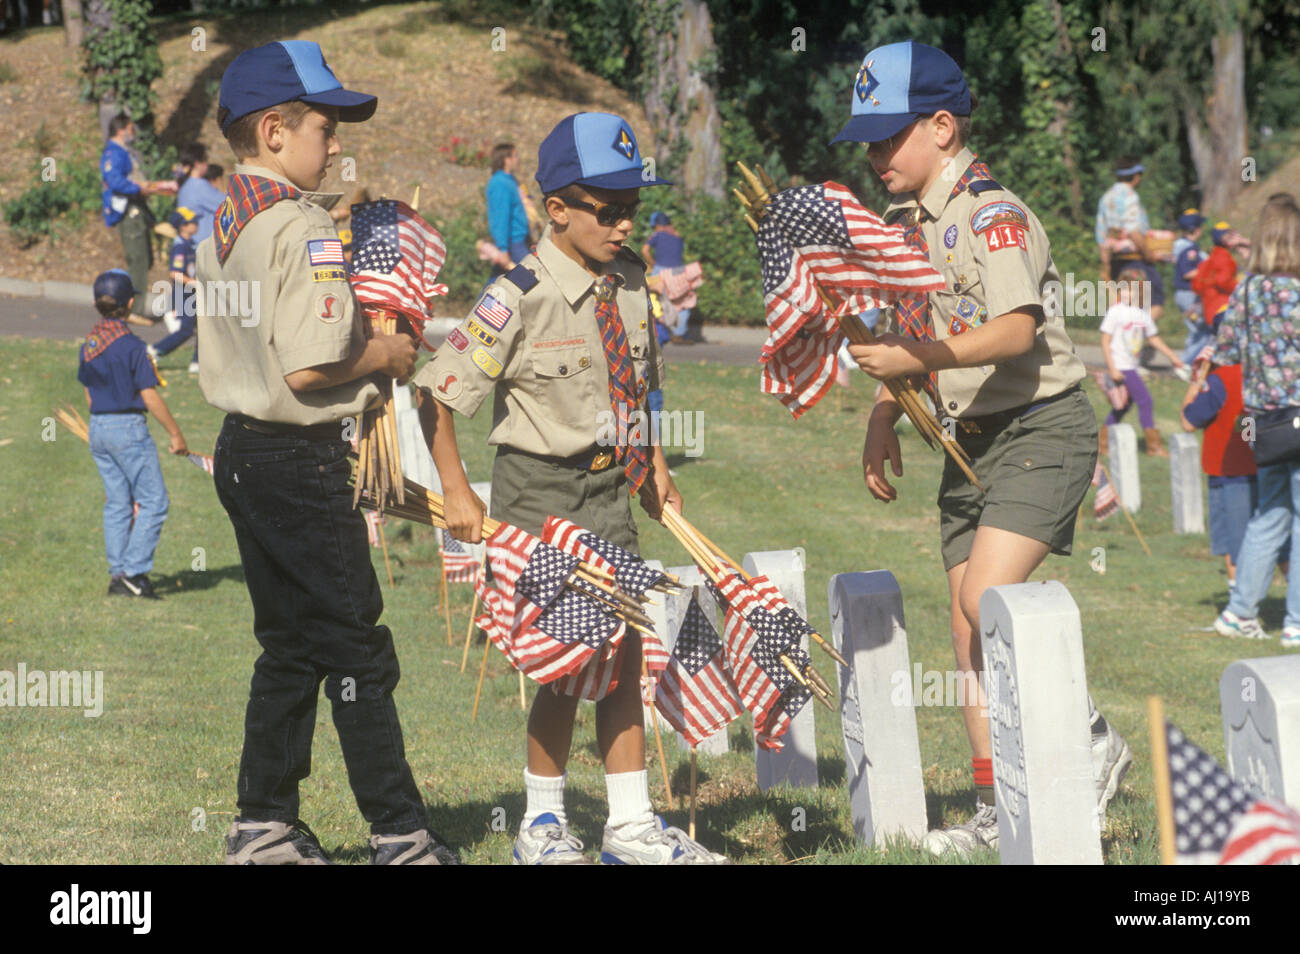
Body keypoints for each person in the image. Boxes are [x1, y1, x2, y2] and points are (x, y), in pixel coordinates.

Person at [836, 40, 1133, 856]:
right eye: (865, 139)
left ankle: (1091, 741)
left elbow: (1013, 328)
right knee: (969, 637)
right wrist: (883, 414)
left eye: (886, 137)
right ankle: (998, 806)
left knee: (986, 604)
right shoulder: (909, 225)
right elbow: (912, 328)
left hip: (1043, 427)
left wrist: (918, 363)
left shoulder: (991, 214)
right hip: (970, 438)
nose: (872, 155)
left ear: (940, 127)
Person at [418, 111, 727, 865]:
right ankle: (543, 823)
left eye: (632, 208)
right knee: (564, 660)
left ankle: (630, 825)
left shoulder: (629, 287)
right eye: (608, 209)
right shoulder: (516, 295)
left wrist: (650, 464)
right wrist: (459, 494)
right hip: (539, 495)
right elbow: (437, 393)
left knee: (624, 651)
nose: (625, 224)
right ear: (557, 209)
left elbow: (638, 386)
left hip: (609, 489)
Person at [197, 40, 458, 865]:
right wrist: (383, 356)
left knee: (291, 644)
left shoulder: (226, 217)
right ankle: (400, 832)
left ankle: (262, 824)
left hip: (241, 451)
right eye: (325, 125)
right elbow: (310, 367)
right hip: (300, 456)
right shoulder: (302, 226)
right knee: (356, 647)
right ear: (274, 130)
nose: (337, 143)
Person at [1209, 195, 1300, 649]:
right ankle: (1296, 622)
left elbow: (1225, 351)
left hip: (1264, 421)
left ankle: (1238, 611)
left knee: (1271, 514)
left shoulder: (1246, 289)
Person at [79, 269, 187, 600]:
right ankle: (134, 572)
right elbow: (150, 396)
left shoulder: (90, 344)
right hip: (127, 428)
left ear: (97, 303)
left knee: (117, 503)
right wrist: (175, 434)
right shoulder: (132, 347)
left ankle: (118, 575)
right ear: (129, 303)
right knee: (154, 500)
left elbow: (88, 392)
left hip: (98, 427)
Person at [1180, 346, 1258, 592]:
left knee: (1234, 543)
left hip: (1228, 470)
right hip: (1259, 466)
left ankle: (1240, 602)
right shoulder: (1257, 373)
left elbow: (1188, 421)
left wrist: (1197, 379)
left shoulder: (1220, 379)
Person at [1099, 265, 1186, 457]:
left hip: (1132, 365)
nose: (1129, 294)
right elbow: (1105, 341)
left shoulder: (1142, 314)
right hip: (1121, 366)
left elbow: (1154, 338)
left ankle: (1101, 443)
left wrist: (1173, 358)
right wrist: (1112, 368)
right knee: (1146, 401)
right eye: (1125, 289)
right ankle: (1153, 447)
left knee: (1124, 405)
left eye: (1134, 289)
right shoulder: (1116, 312)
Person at [100, 114, 175, 325]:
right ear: (122, 129)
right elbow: (114, 180)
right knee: (138, 261)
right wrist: (138, 188)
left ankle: (131, 303)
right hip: (129, 212)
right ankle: (134, 308)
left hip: (136, 210)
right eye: (131, 128)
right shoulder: (114, 153)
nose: (133, 133)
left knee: (145, 259)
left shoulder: (122, 152)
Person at [1095, 155, 1166, 326]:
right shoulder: (1130, 197)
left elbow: (1101, 235)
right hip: (1136, 259)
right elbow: (1134, 231)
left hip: (1116, 261)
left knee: (1123, 303)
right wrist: (1149, 255)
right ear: (1136, 176)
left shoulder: (1106, 197)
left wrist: (1107, 266)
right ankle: (1135, 332)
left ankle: (1120, 336)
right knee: (1155, 302)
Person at [148, 207, 200, 373]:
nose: (196, 224)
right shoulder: (180, 247)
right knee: (185, 331)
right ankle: (154, 351)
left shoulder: (190, 244)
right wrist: (194, 283)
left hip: (191, 292)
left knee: (205, 327)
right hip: (184, 293)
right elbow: (175, 273)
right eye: (192, 222)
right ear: (182, 226)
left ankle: (197, 363)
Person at [641, 211, 694, 343]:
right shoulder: (677, 236)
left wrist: (653, 264)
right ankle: (679, 333)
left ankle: (655, 332)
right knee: (682, 302)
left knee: (653, 299)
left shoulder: (657, 234)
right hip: (678, 272)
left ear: (657, 225)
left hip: (660, 271)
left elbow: (645, 250)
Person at [485, 141, 531, 277]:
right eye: (515, 156)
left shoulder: (510, 180)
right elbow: (500, 217)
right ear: (506, 159)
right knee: (531, 277)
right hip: (513, 243)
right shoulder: (499, 183)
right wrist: (503, 248)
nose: (518, 159)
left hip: (520, 240)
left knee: (501, 281)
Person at [1192, 221, 1244, 331]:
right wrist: (1241, 287)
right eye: (1230, 235)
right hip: (1221, 307)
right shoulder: (1223, 258)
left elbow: (1196, 285)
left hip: (1209, 305)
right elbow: (1223, 281)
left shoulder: (1211, 257)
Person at [1173, 209, 1209, 364]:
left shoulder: (1184, 246)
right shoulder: (1189, 249)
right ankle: (1185, 363)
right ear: (1194, 229)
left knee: (1197, 329)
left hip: (1185, 294)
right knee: (1201, 330)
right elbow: (1187, 273)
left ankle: (1188, 362)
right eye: (1199, 227)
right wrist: (1209, 272)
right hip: (1188, 294)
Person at [176, 145, 226, 246]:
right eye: (205, 159)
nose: (207, 164)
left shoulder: (185, 185)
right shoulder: (200, 186)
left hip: (191, 242)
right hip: (203, 244)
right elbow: (228, 206)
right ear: (197, 164)